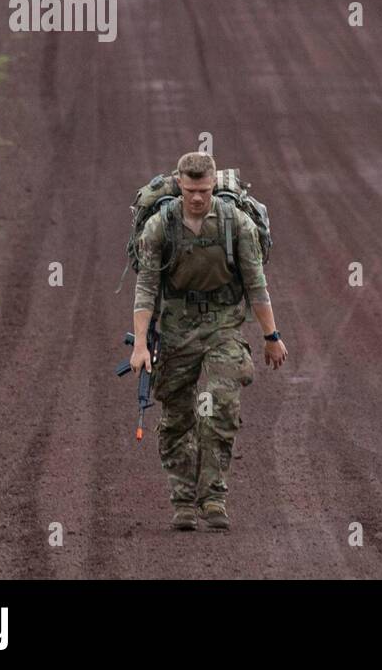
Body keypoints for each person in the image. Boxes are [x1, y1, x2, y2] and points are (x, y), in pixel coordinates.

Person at [131, 152, 288, 531]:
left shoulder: (236, 225)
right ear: (180, 186)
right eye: (190, 190)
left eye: (204, 190)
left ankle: (214, 497)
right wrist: (140, 344)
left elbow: (256, 284)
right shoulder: (160, 227)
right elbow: (146, 287)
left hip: (223, 325)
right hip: (176, 327)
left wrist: (272, 336)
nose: (197, 198)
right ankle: (184, 502)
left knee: (220, 407)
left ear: (213, 185)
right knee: (177, 418)